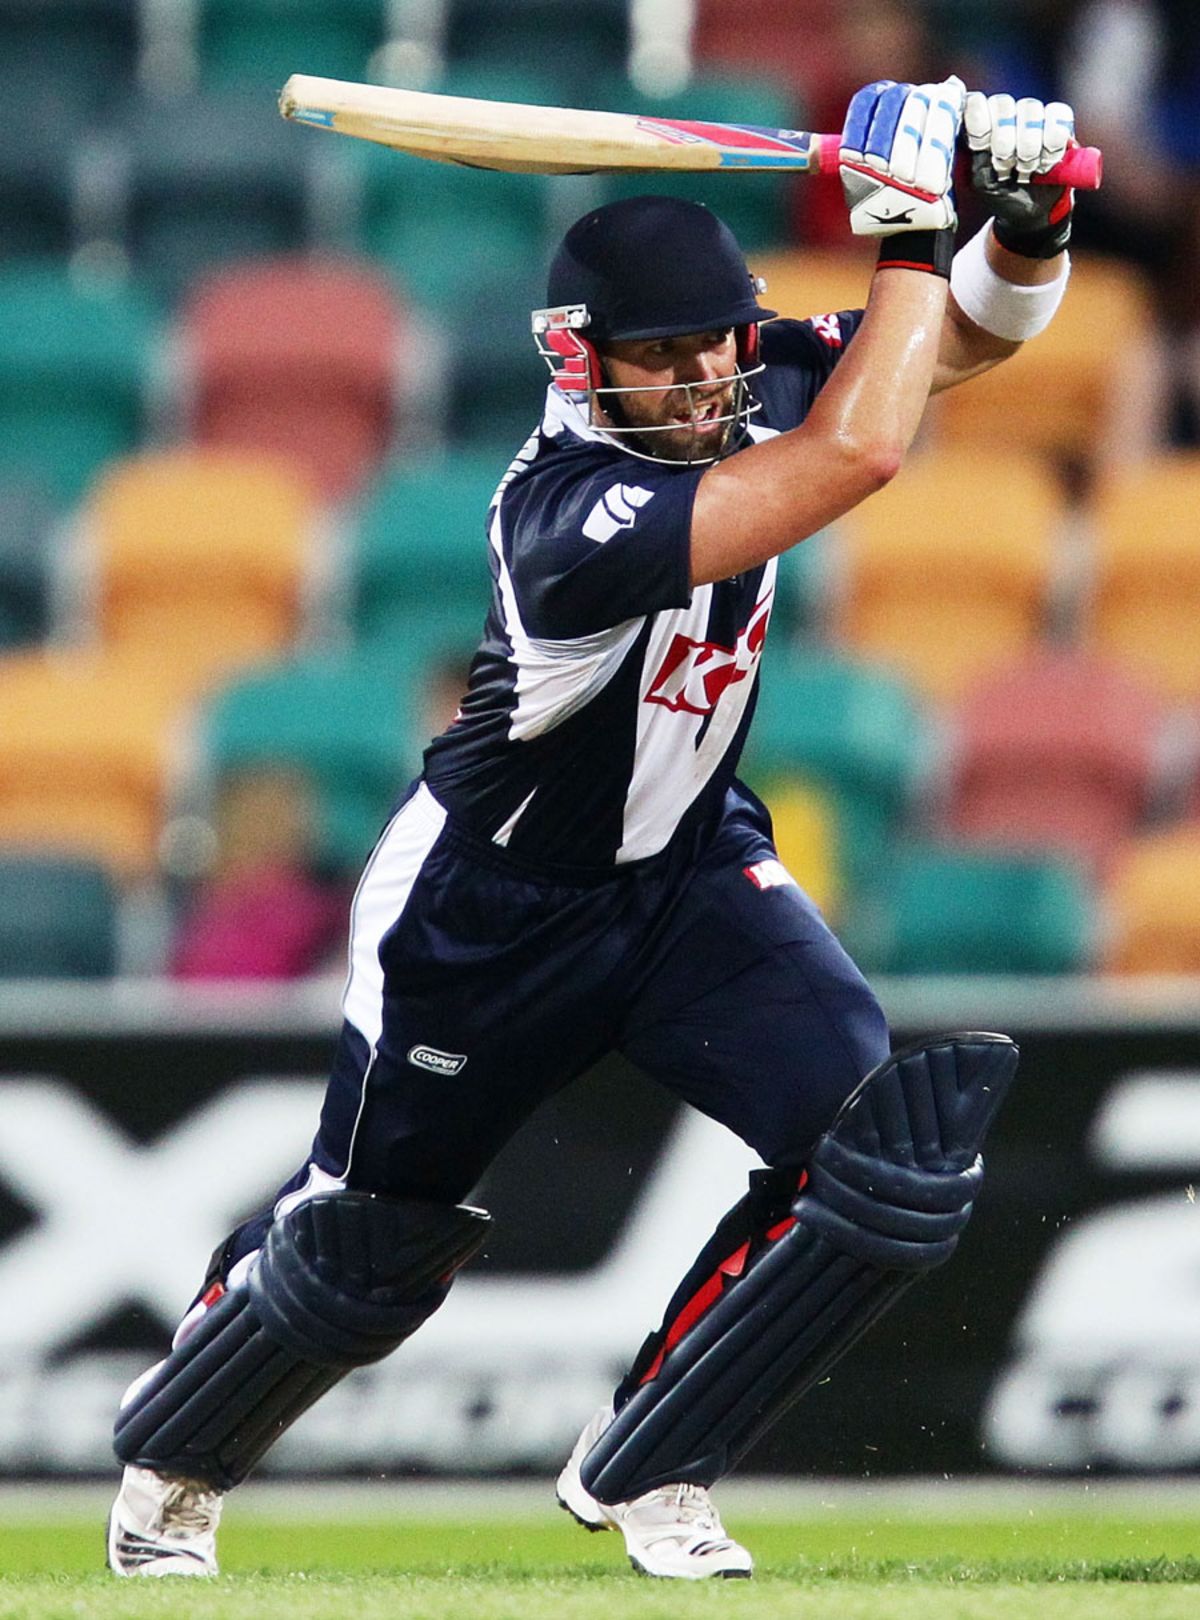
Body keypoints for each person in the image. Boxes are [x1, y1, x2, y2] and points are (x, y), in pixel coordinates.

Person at [106, 76, 1077, 1581]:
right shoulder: (566, 515)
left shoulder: (749, 375)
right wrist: (903, 230)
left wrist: (1027, 220)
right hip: (488, 906)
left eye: (717, 344)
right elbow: (858, 453)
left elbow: (966, 339)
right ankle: (173, 1463)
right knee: (366, 1245)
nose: (699, 380)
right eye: (660, 355)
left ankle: (656, 1466)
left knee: (882, 1160)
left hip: (689, 875)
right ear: (585, 360)